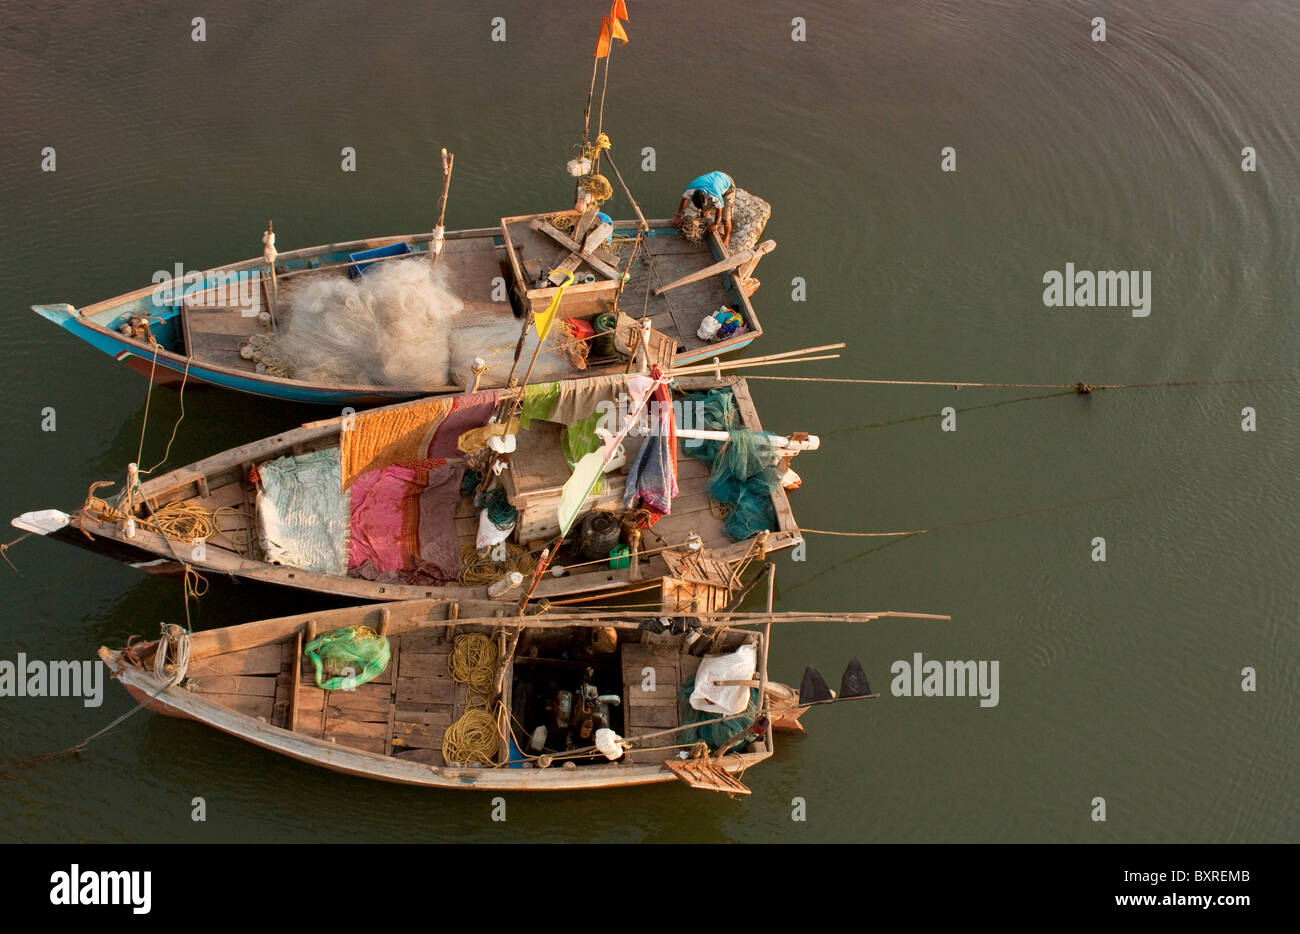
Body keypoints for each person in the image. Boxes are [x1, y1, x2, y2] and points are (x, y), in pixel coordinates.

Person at [671, 171, 735, 247]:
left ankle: (727, 237)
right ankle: (705, 219)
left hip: (728, 187)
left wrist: (715, 224)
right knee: (703, 212)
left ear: (707, 197)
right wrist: (678, 216)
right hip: (714, 180)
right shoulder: (691, 188)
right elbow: (684, 200)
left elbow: (719, 209)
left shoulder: (714, 194)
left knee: (725, 219)